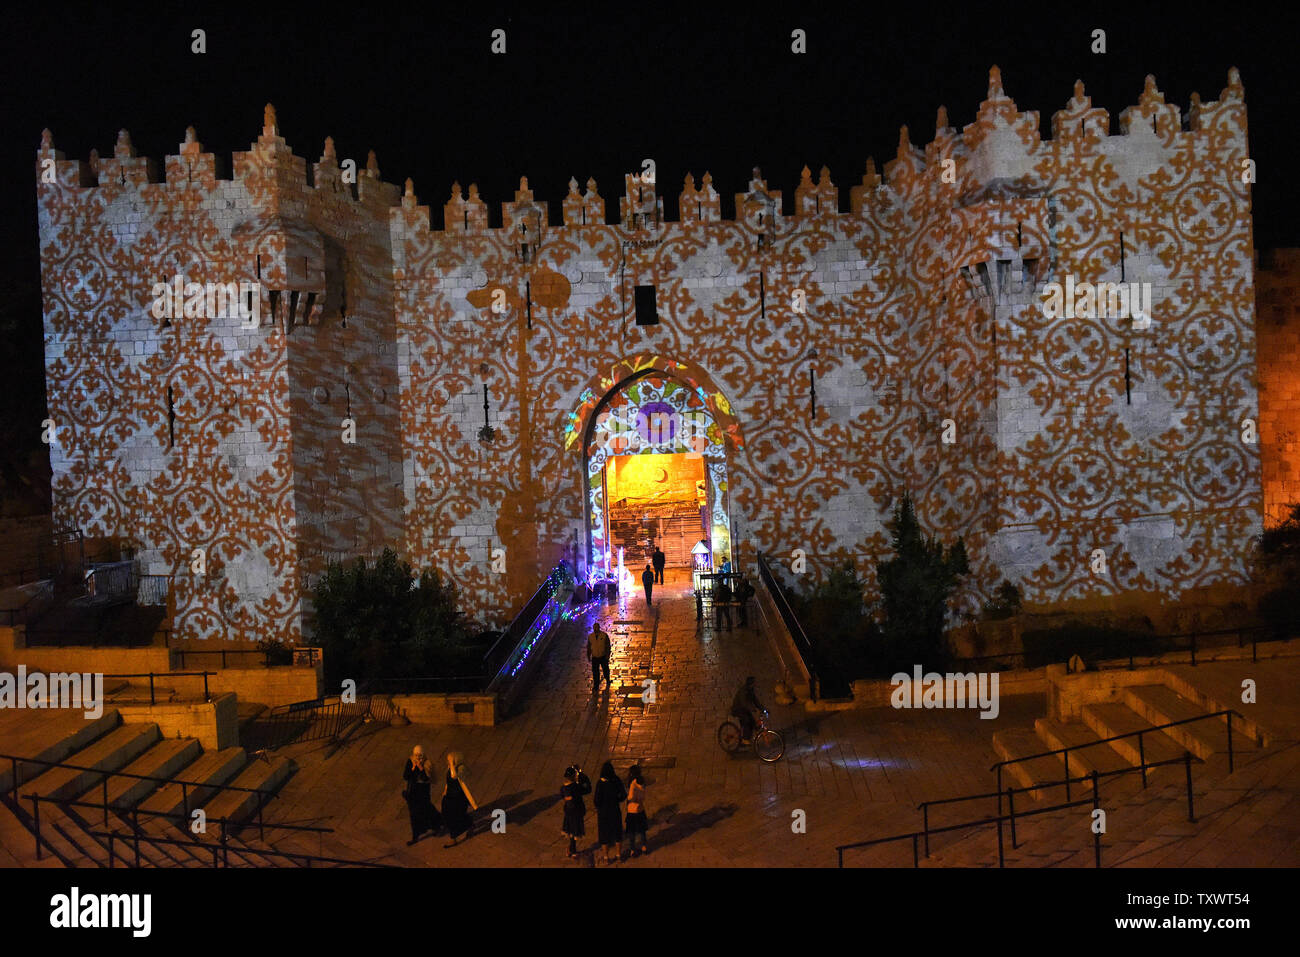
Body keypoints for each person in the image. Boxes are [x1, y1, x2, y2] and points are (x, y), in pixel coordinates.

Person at [401, 745, 441, 846]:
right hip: (414, 793)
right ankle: (415, 836)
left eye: (420, 755)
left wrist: (421, 768)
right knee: (414, 815)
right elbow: (406, 776)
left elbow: (427, 779)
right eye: (416, 755)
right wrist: (413, 768)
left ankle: (436, 825)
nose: (418, 757)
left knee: (427, 810)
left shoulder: (427, 763)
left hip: (423, 792)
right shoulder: (410, 761)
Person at [441, 750, 478, 847]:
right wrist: (445, 790)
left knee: (454, 816)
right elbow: (448, 780)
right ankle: (469, 824)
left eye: (450, 760)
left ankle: (453, 838)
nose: (448, 761)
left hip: (458, 798)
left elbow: (454, 776)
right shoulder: (450, 767)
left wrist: (452, 765)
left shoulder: (460, 768)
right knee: (447, 814)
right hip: (449, 796)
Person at [593, 760, 626, 863]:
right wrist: (617, 799)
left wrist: (599, 807)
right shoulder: (616, 780)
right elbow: (623, 795)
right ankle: (619, 855)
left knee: (604, 835)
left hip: (603, 813)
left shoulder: (600, 783)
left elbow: (596, 800)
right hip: (615, 811)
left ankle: (606, 857)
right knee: (617, 834)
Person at [561, 765, 592, 858]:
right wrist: (583, 777)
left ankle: (572, 849)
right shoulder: (576, 787)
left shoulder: (563, 788)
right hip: (576, 812)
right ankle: (573, 851)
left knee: (571, 831)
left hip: (568, 812)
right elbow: (587, 790)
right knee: (574, 831)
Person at [731, 676, 766, 742]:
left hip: (744, 709)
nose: (756, 684)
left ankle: (748, 735)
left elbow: (755, 701)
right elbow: (744, 703)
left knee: (753, 722)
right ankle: (745, 739)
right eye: (754, 683)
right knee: (747, 721)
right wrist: (753, 709)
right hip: (738, 709)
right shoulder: (743, 691)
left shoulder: (750, 690)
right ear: (751, 683)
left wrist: (763, 709)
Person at [625, 764, 649, 856]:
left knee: (632, 831)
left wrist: (629, 799)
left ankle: (632, 850)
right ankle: (644, 847)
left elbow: (630, 796)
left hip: (632, 811)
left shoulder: (633, 783)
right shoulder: (642, 782)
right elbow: (643, 796)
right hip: (640, 809)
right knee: (642, 830)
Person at [587, 622, 611, 695]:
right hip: (595, 657)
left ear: (599, 628)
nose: (595, 629)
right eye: (594, 628)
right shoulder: (590, 636)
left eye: (596, 627)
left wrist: (607, 655)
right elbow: (589, 646)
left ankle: (607, 679)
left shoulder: (604, 635)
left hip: (602, 656)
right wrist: (588, 655)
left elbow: (607, 646)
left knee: (605, 669)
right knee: (595, 672)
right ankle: (596, 685)